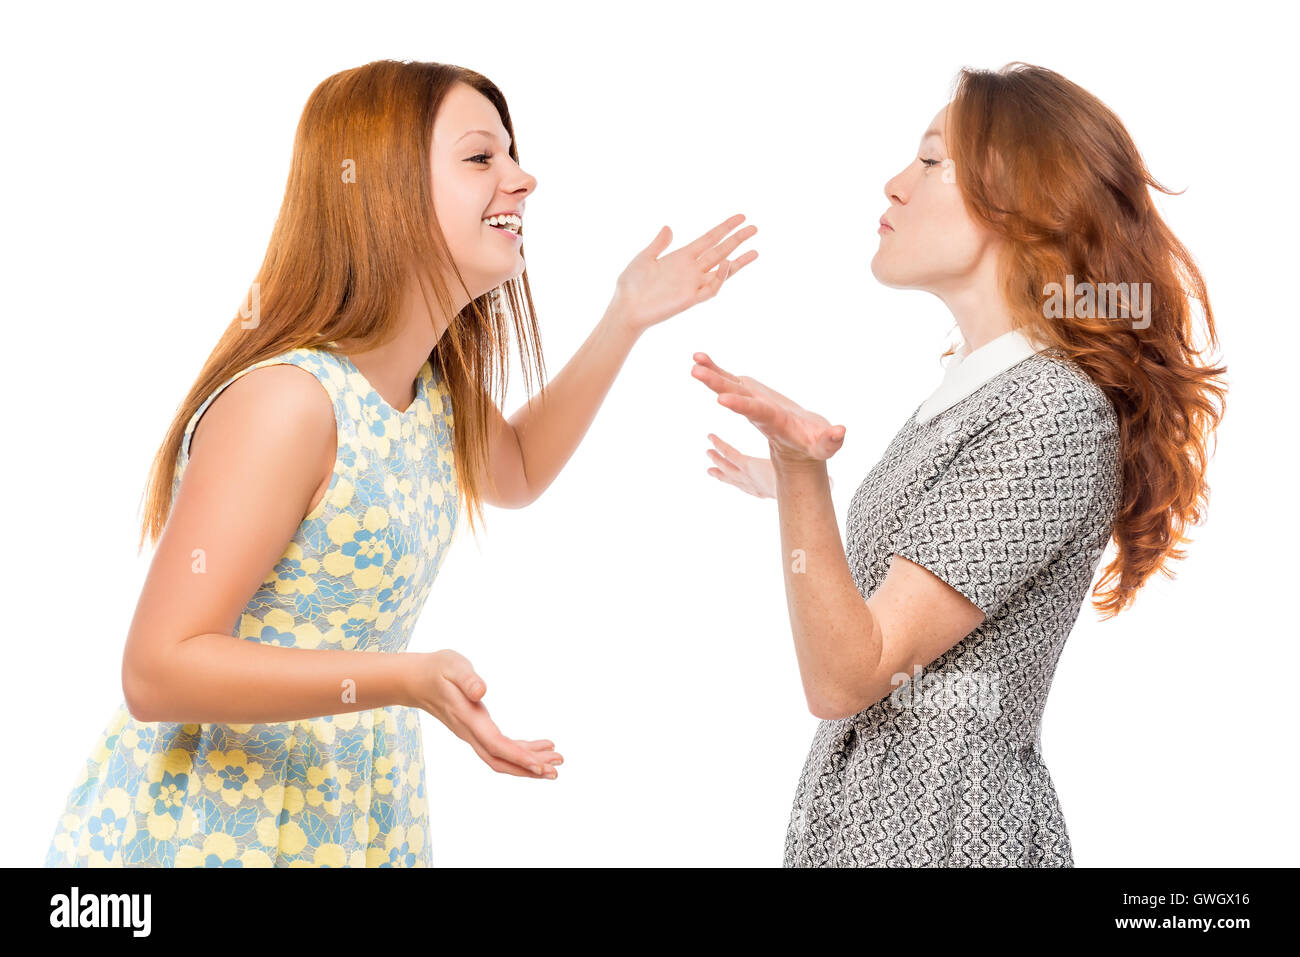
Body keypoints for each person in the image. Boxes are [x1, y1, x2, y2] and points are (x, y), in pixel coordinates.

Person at [45, 59, 757, 867]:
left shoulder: (432, 385)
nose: (524, 179)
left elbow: (516, 468)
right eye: (481, 157)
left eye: (512, 154)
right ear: (382, 188)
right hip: (213, 830)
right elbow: (157, 669)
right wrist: (402, 678)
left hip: (349, 810)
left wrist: (625, 317)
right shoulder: (290, 403)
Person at [693, 62, 1227, 867]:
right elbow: (916, 561)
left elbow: (849, 674)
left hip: (947, 838)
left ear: (1023, 199)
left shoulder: (1049, 414)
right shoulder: (974, 398)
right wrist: (796, 492)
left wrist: (804, 474)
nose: (894, 183)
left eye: (930, 160)